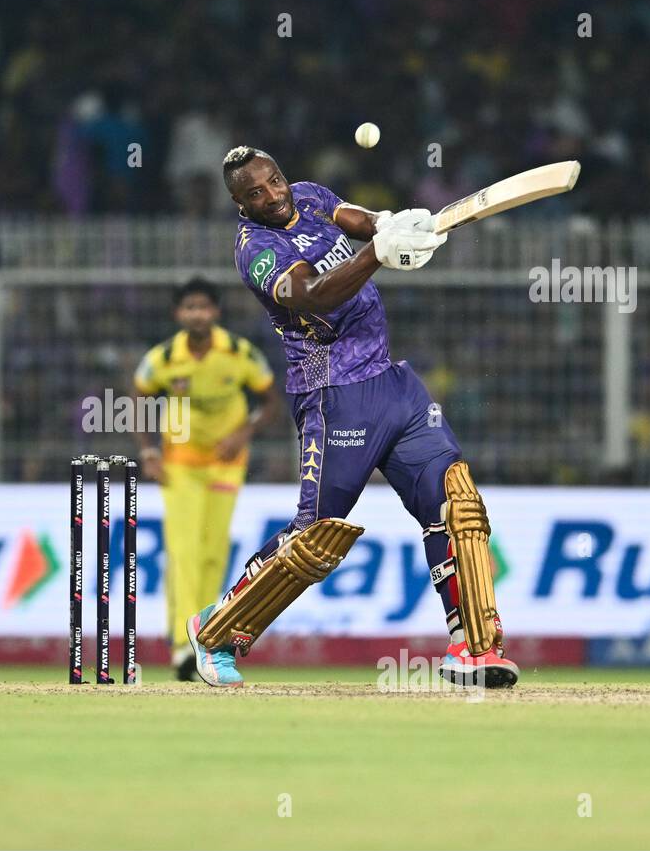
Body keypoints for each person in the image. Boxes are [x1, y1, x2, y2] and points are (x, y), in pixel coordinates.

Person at [185, 146, 520, 689]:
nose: (272, 195)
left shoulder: (312, 197)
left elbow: (358, 220)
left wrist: (393, 226)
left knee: (456, 503)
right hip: (332, 395)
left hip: (393, 384)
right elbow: (314, 294)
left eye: (274, 181)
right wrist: (378, 254)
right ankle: (216, 631)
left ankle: (475, 649)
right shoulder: (256, 249)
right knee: (315, 536)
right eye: (255, 193)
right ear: (238, 203)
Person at [133, 277, 277, 680]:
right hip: (180, 463)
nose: (197, 314)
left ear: (215, 312)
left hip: (226, 464)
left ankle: (208, 638)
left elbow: (270, 401)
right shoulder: (163, 358)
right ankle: (182, 645)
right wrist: (148, 453)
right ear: (179, 314)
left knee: (214, 552)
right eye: (189, 307)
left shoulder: (239, 353)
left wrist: (243, 432)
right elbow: (139, 397)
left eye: (204, 307)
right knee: (184, 551)